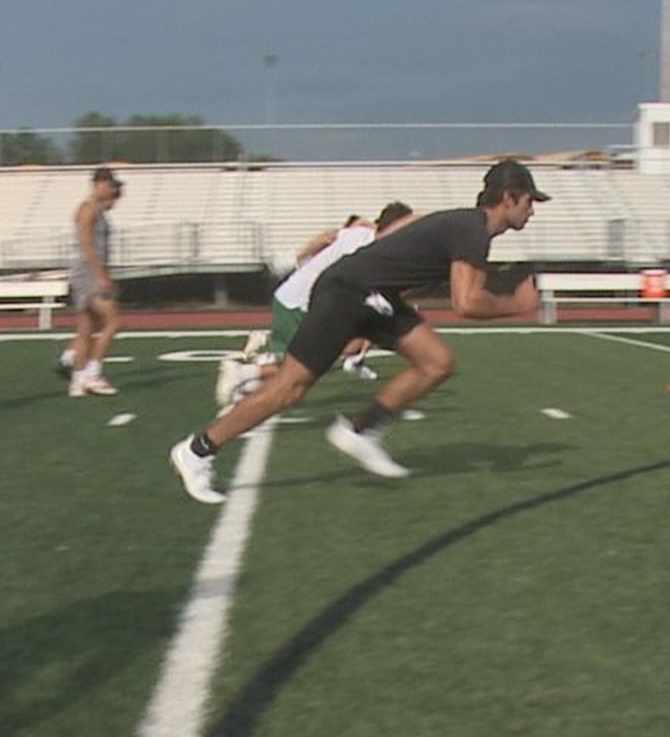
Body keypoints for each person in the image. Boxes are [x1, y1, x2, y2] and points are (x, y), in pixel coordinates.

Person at [170, 159, 547, 504]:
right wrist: (517, 305)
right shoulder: (473, 230)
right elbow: (466, 303)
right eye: (529, 201)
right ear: (509, 197)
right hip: (347, 293)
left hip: (373, 296)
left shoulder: (468, 227)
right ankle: (196, 451)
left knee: (437, 362)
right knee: (289, 388)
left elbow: (417, 269)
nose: (532, 211)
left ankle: (360, 431)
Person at [215, 202, 418, 409]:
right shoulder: (371, 249)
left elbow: (327, 237)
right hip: (300, 302)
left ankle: (248, 381)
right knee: (306, 365)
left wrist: (298, 258)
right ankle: (242, 373)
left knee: (313, 361)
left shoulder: (360, 234)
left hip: (302, 299)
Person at [57, 167, 125, 397]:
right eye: (109, 185)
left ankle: (77, 380)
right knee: (113, 322)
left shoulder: (96, 210)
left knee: (86, 327)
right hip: (89, 274)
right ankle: (93, 373)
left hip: (89, 272)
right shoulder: (88, 209)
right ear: (98, 184)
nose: (112, 190)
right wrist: (101, 276)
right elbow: (87, 245)